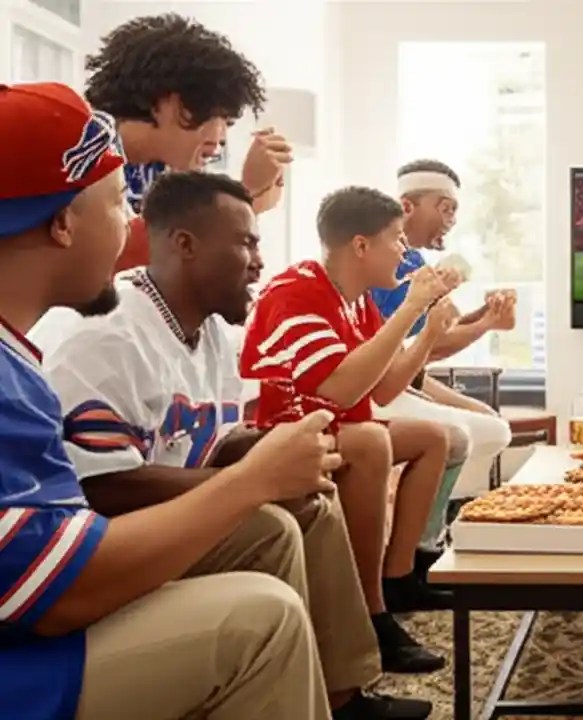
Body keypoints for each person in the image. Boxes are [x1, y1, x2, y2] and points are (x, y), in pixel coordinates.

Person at [0, 81, 335, 720]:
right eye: (118, 203)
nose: (133, 225)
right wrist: (252, 481)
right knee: (260, 620)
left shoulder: (16, 359)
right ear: (62, 223)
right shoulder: (28, 368)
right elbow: (57, 596)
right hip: (21, 670)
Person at [44, 172, 450, 697]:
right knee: (271, 522)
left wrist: (281, 453)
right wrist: (256, 481)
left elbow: (215, 439)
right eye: (245, 243)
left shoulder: (211, 330)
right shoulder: (110, 335)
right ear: (185, 245)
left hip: (170, 502)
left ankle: (345, 687)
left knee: (313, 503)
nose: (259, 261)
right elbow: (101, 486)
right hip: (109, 535)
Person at [239, 186, 464, 621]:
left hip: (331, 428)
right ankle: (370, 613)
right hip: (281, 432)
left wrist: (429, 332)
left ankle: (399, 579)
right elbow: (338, 391)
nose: (404, 252)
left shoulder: (359, 302)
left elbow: (383, 390)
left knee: (432, 438)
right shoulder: (296, 291)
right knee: (371, 442)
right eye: (396, 239)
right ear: (361, 246)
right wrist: (412, 307)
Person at [28, 13, 293, 354]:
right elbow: (117, 263)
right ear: (171, 102)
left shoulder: (157, 171)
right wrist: (246, 199)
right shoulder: (82, 151)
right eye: (221, 118)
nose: (221, 139)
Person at [371, 159, 514, 505]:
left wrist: (486, 316)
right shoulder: (387, 262)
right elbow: (429, 346)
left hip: (406, 374)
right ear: (407, 207)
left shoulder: (415, 262)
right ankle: (432, 519)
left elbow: (435, 335)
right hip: (379, 382)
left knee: (492, 422)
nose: (451, 220)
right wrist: (485, 325)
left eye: (455, 211)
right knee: (492, 431)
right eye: (445, 208)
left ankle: (436, 514)